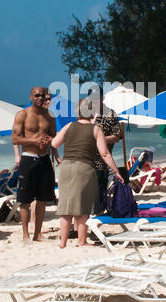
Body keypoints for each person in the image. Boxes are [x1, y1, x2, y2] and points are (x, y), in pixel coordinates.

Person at [51, 96, 125, 247]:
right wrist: (116, 171)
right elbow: (105, 154)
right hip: (84, 167)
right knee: (83, 206)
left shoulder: (69, 126)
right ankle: (81, 241)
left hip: (65, 167)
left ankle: (63, 242)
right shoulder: (95, 129)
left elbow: (54, 143)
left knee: (65, 207)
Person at [12, 85, 57, 242]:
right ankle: (25, 234)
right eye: (37, 95)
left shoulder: (50, 116)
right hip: (28, 158)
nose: (40, 98)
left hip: (44, 158)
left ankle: (38, 233)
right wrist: (34, 140)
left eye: (43, 96)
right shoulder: (22, 114)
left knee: (42, 199)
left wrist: (50, 142)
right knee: (25, 199)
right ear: (31, 97)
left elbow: (54, 137)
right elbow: (15, 139)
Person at [92, 110, 124, 215]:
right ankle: (77, 228)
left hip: (101, 162)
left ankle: (96, 223)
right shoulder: (84, 114)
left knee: (99, 196)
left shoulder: (110, 115)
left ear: (103, 97)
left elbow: (117, 136)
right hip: (84, 162)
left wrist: (100, 139)